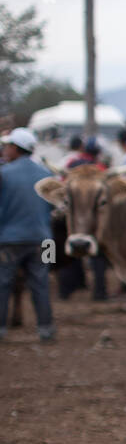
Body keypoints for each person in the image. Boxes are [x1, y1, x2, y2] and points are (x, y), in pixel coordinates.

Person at [0, 128, 56, 343]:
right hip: (44, 240)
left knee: (3, 283)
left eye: (7, 146)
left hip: (9, 240)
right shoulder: (46, 174)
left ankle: (2, 329)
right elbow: (53, 209)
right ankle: (46, 329)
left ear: (15, 148)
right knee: (41, 283)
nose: (5, 150)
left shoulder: (4, 174)